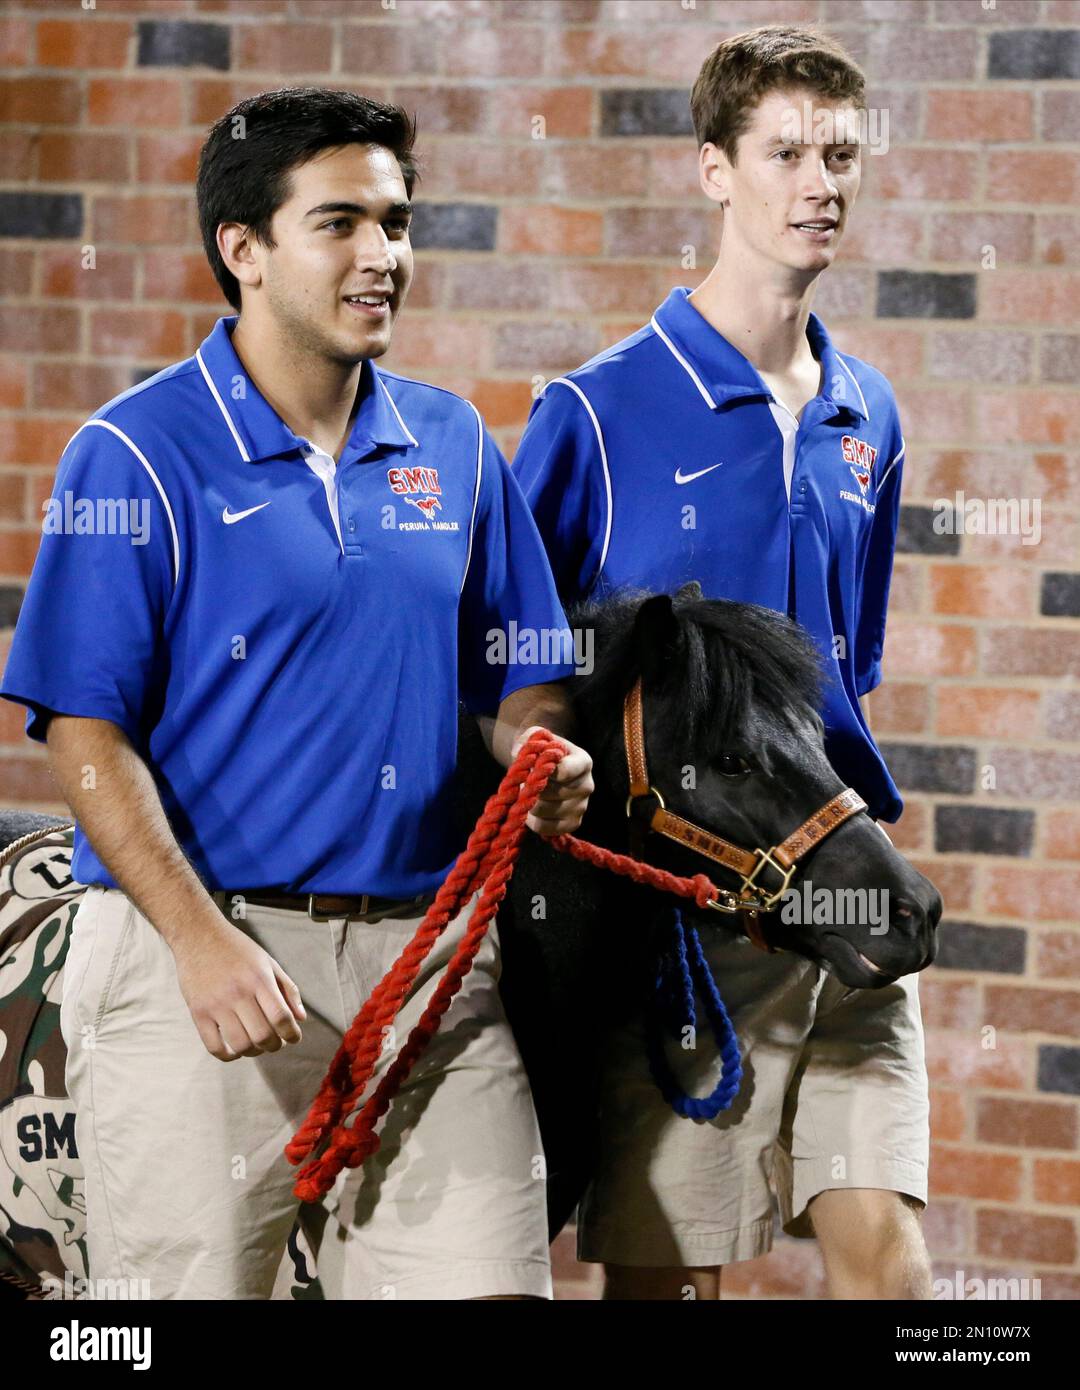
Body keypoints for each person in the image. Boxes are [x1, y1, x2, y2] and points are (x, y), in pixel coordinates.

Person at [0, 88, 593, 1302]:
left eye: (396, 221)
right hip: (202, 961)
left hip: (431, 977)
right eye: (341, 224)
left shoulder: (456, 444)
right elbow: (85, 734)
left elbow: (519, 672)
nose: (384, 256)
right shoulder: (133, 454)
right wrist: (202, 942)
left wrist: (541, 751)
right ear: (245, 252)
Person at [511, 26, 930, 1300]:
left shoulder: (871, 415)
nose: (821, 184)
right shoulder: (594, 411)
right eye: (788, 152)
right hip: (680, 929)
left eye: (841, 155)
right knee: (660, 1285)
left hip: (844, 890)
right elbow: (528, 659)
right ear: (714, 170)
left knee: (891, 1271)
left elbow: (850, 659)